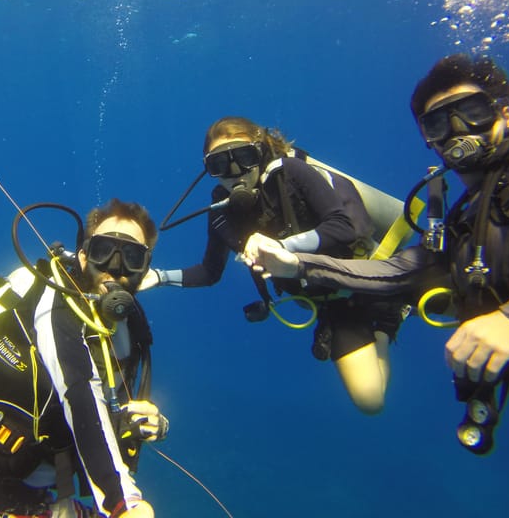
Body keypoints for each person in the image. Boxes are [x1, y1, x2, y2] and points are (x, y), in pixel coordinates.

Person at [243, 54, 509, 489]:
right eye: (438, 124)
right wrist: (300, 264)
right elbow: (399, 271)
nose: (458, 132)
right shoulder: (468, 219)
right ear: (428, 139)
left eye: (472, 112)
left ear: (504, 111)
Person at [142, 116, 410, 414]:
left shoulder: (291, 173)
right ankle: (387, 324)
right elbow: (209, 272)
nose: (233, 173)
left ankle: (387, 311)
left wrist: (282, 246)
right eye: (219, 164)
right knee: (370, 401)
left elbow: (344, 226)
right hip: (333, 301)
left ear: (260, 151)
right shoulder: (221, 212)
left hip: (364, 273)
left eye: (243, 157)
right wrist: (158, 276)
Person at [0, 199, 166, 518]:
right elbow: (78, 390)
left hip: (44, 504)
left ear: (144, 268)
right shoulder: (56, 304)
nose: (114, 266)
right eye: (103, 250)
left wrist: (150, 422)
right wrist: (124, 504)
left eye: (131, 256)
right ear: (82, 255)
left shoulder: (127, 331)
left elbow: (106, 417)